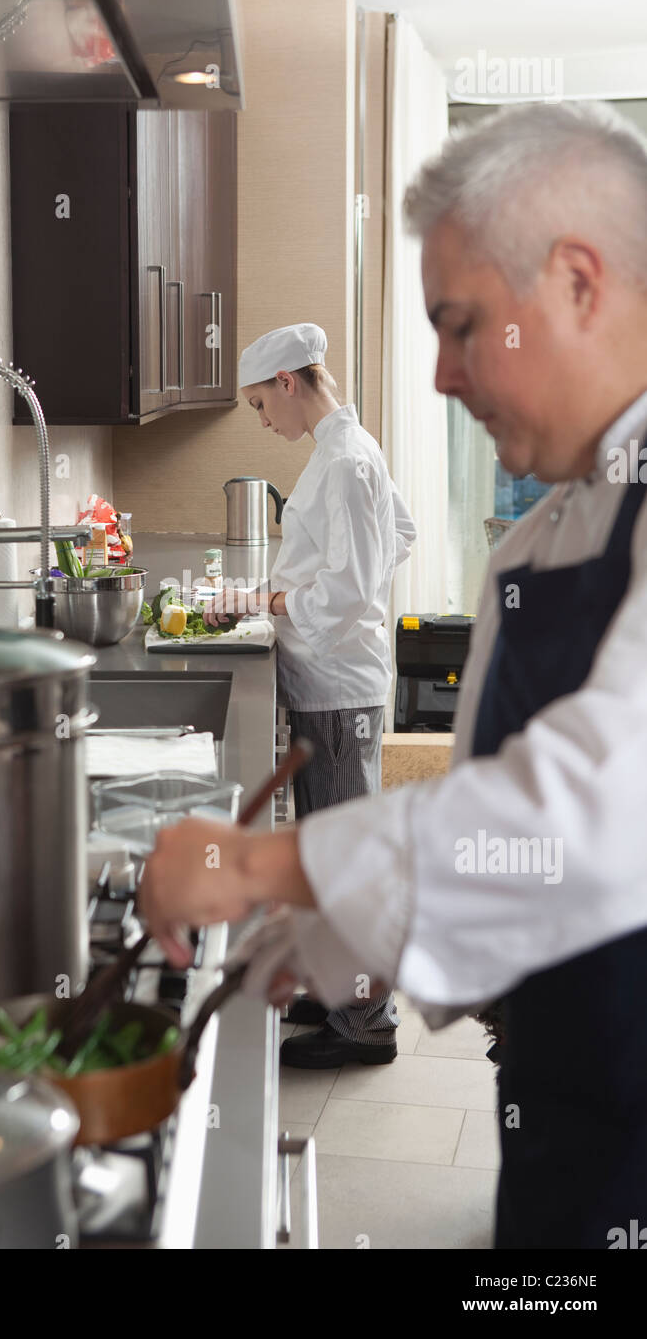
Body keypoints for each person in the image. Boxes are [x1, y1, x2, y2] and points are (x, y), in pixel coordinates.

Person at [142, 100, 647, 1249]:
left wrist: (257, 858)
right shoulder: (551, 530)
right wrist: (303, 936)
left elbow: (587, 806)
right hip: (567, 1094)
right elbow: (502, 834)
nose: (437, 377)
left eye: (461, 326)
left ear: (575, 283)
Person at [203, 324, 415, 1068]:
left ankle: (367, 1024)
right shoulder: (344, 451)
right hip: (331, 677)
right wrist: (280, 596)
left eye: (262, 405)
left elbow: (353, 591)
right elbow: (404, 533)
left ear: (289, 382)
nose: (264, 422)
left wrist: (268, 599)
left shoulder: (347, 462)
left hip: (339, 685)